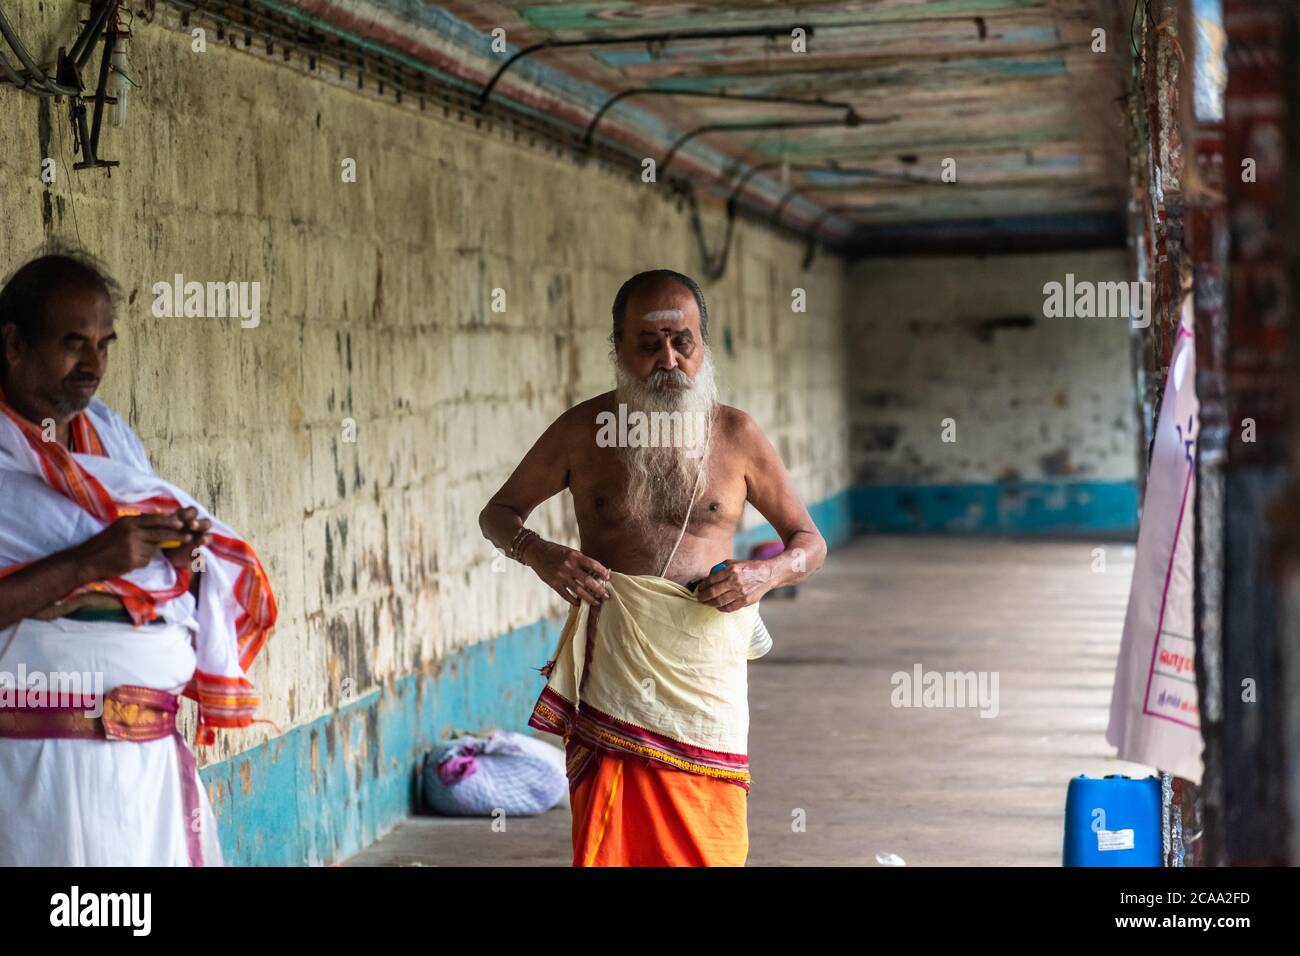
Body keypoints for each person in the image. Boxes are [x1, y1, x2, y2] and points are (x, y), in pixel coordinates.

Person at [479, 269, 825, 866]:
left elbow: (808, 542)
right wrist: (538, 553)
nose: (667, 359)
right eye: (647, 343)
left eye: (681, 341)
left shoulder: (736, 434)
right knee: (614, 845)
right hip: (616, 668)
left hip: (705, 679)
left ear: (702, 347)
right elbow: (498, 513)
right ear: (618, 350)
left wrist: (763, 575)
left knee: (708, 847)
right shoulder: (583, 431)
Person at [0, 251, 277, 865]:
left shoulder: (109, 435)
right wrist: (87, 565)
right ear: (15, 343)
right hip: (33, 771)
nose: (93, 365)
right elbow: (99, 558)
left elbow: (150, 573)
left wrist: (179, 556)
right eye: (74, 343)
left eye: (104, 344)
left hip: (145, 759)